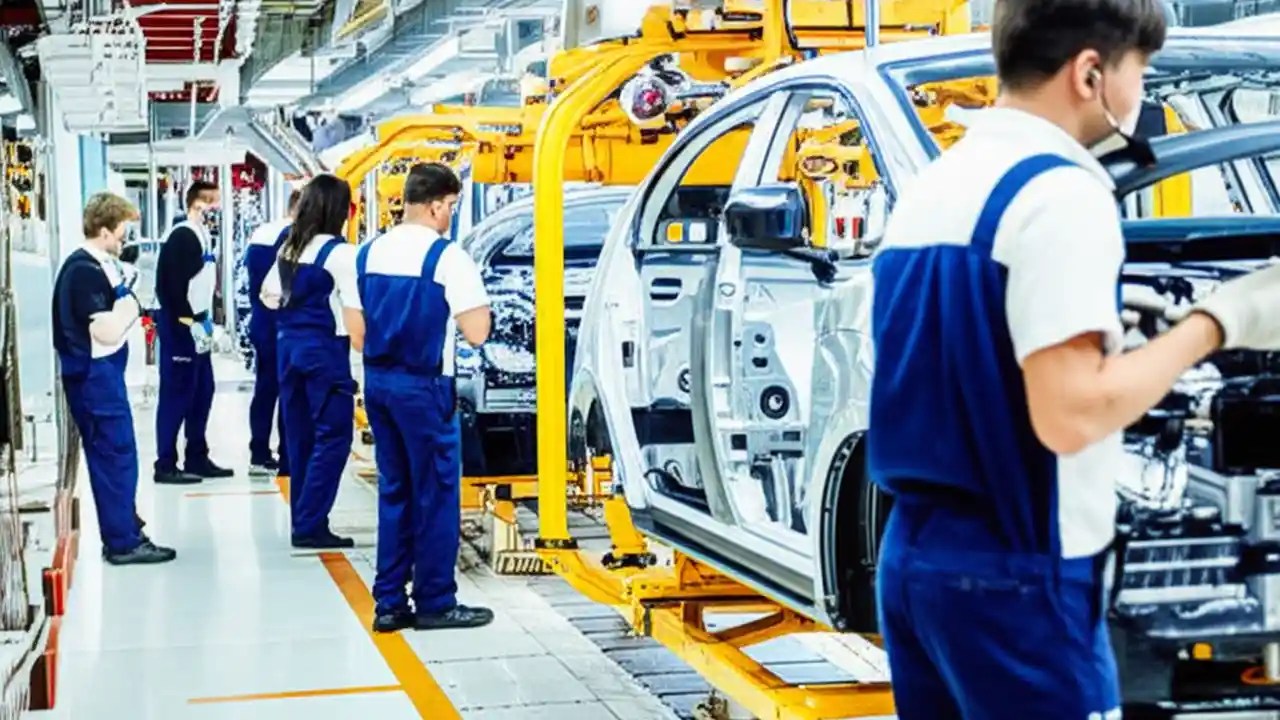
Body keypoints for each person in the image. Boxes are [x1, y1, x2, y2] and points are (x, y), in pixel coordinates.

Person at [867, 1, 1280, 718]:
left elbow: (964, 348)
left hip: (918, 562)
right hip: (1018, 575)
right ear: (1091, 72)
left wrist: (1104, 331)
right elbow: (1071, 414)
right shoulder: (1060, 192)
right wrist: (1219, 322)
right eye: (1140, 71)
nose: (1141, 93)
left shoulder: (943, 183)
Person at [355, 163, 494, 633]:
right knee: (435, 494)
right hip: (425, 389)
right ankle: (435, 601)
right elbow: (477, 333)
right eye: (451, 206)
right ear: (436, 204)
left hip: (378, 384)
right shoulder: (448, 258)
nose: (450, 216)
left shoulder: (367, 253)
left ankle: (389, 603)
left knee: (395, 492)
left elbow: (357, 333)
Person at [52, 192, 176, 565]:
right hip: (94, 379)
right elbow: (105, 330)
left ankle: (125, 526)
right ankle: (123, 542)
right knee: (115, 456)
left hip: (101, 377)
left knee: (118, 455)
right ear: (104, 230)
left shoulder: (97, 266)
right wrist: (131, 306)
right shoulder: (83, 271)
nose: (125, 240)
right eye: (121, 233)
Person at [260, 175, 362, 549]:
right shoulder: (342, 254)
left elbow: (268, 295)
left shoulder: (289, 247)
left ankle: (303, 520)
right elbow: (355, 321)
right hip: (324, 354)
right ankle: (311, 524)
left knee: (300, 437)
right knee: (334, 436)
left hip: (288, 349)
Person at [153, 180, 233, 484]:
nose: (219, 208)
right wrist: (187, 323)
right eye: (215, 202)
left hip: (197, 322)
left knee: (202, 391)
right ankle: (165, 463)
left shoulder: (201, 235)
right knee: (176, 395)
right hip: (180, 326)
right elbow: (171, 289)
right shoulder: (183, 236)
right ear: (200, 203)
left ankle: (197, 456)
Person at [245, 188, 301, 478]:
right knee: (289, 391)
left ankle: (259, 451)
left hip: (261, 322)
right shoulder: (292, 236)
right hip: (282, 324)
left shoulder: (260, 233)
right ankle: (287, 458)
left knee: (265, 389)